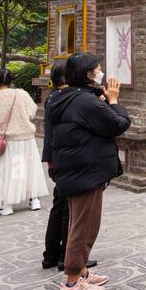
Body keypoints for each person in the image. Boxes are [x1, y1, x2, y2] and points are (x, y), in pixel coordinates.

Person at [45, 53, 130, 290]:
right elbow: (118, 124)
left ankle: (81, 271)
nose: (101, 71)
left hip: (73, 168)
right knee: (84, 225)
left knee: (77, 221)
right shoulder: (83, 101)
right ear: (87, 74)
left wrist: (101, 100)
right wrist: (114, 101)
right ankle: (72, 282)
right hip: (85, 170)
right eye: (98, 69)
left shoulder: (62, 97)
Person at [0, 68, 47, 217]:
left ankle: (7, 205)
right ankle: (34, 199)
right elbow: (32, 111)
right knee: (30, 168)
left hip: (8, 140)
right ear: (11, 81)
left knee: (8, 171)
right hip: (27, 138)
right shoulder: (22, 94)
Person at [40, 62, 81, 271]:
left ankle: (51, 255)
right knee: (68, 209)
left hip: (55, 157)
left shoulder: (53, 97)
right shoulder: (66, 99)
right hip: (64, 158)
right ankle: (67, 256)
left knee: (60, 206)